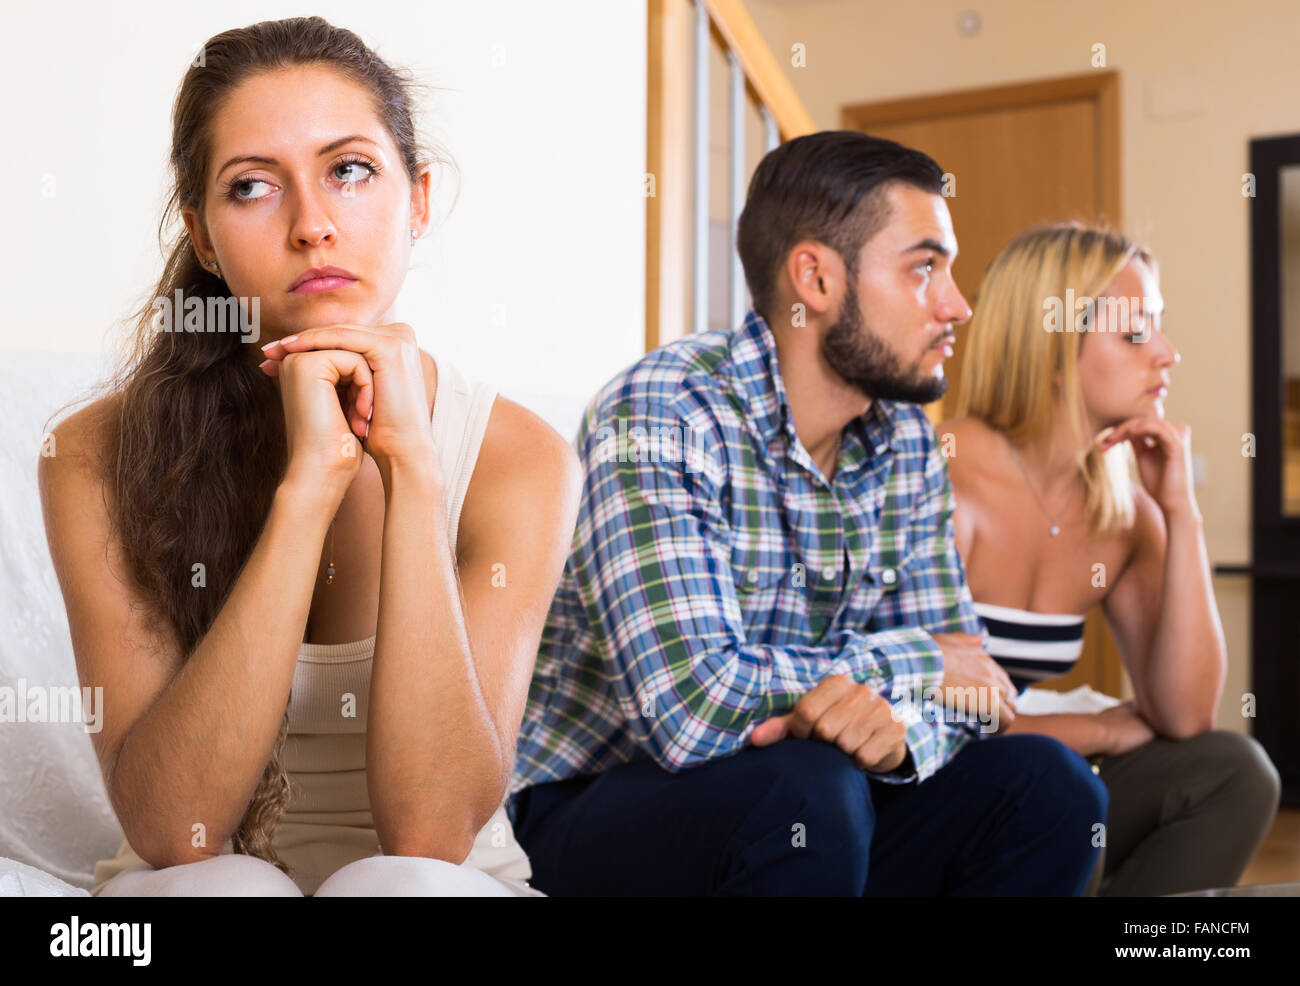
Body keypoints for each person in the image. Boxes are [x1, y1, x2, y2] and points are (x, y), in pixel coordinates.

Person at [37, 16, 579, 897]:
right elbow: (181, 834)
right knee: (229, 890)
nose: (313, 225)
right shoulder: (95, 454)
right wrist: (307, 489)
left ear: (419, 199)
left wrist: (411, 468)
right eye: (253, 187)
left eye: (351, 170)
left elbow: (431, 835)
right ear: (203, 238)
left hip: (438, 888)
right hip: (194, 886)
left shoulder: (523, 458)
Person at [508, 131, 1108, 896]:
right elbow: (693, 708)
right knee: (805, 786)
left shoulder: (907, 445)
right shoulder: (662, 410)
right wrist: (908, 666)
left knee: (1051, 788)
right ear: (817, 278)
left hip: (824, 800)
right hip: (594, 806)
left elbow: (977, 691)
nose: (957, 306)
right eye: (925, 268)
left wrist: (893, 739)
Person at [938, 221, 1281, 896]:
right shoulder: (942, 475)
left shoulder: (1117, 507)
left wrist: (1181, 513)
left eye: (1159, 329)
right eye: (1134, 334)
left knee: (1234, 771)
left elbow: (1184, 716)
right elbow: (922, 713)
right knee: (1060, 793)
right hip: (930, 788)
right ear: (1052, 348)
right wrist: (1091, 727)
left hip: (1031, 772)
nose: (1168, 354)